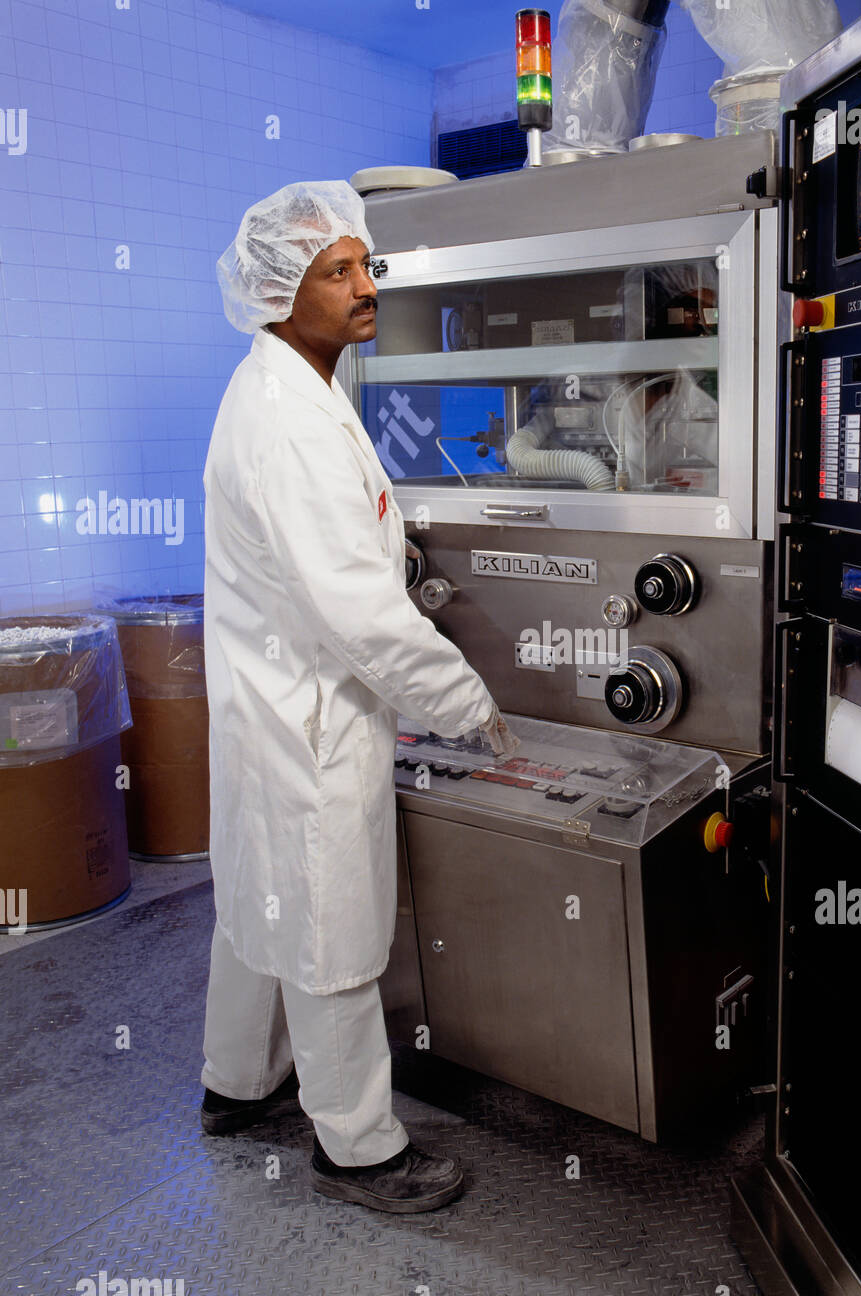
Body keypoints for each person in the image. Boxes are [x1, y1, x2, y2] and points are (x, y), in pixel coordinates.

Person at [200, 180, 517, 1214]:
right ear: (277, 294)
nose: (363, 286)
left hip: (272, 706)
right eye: (336, 272)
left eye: (365, 265)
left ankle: (238, 1085)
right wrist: (467, 701)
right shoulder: (286, 421)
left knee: (261, 901)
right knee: (328, 929)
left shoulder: (295, 383)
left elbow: (344, 559)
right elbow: (358, 611)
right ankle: (361, 1149)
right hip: (311, 718)